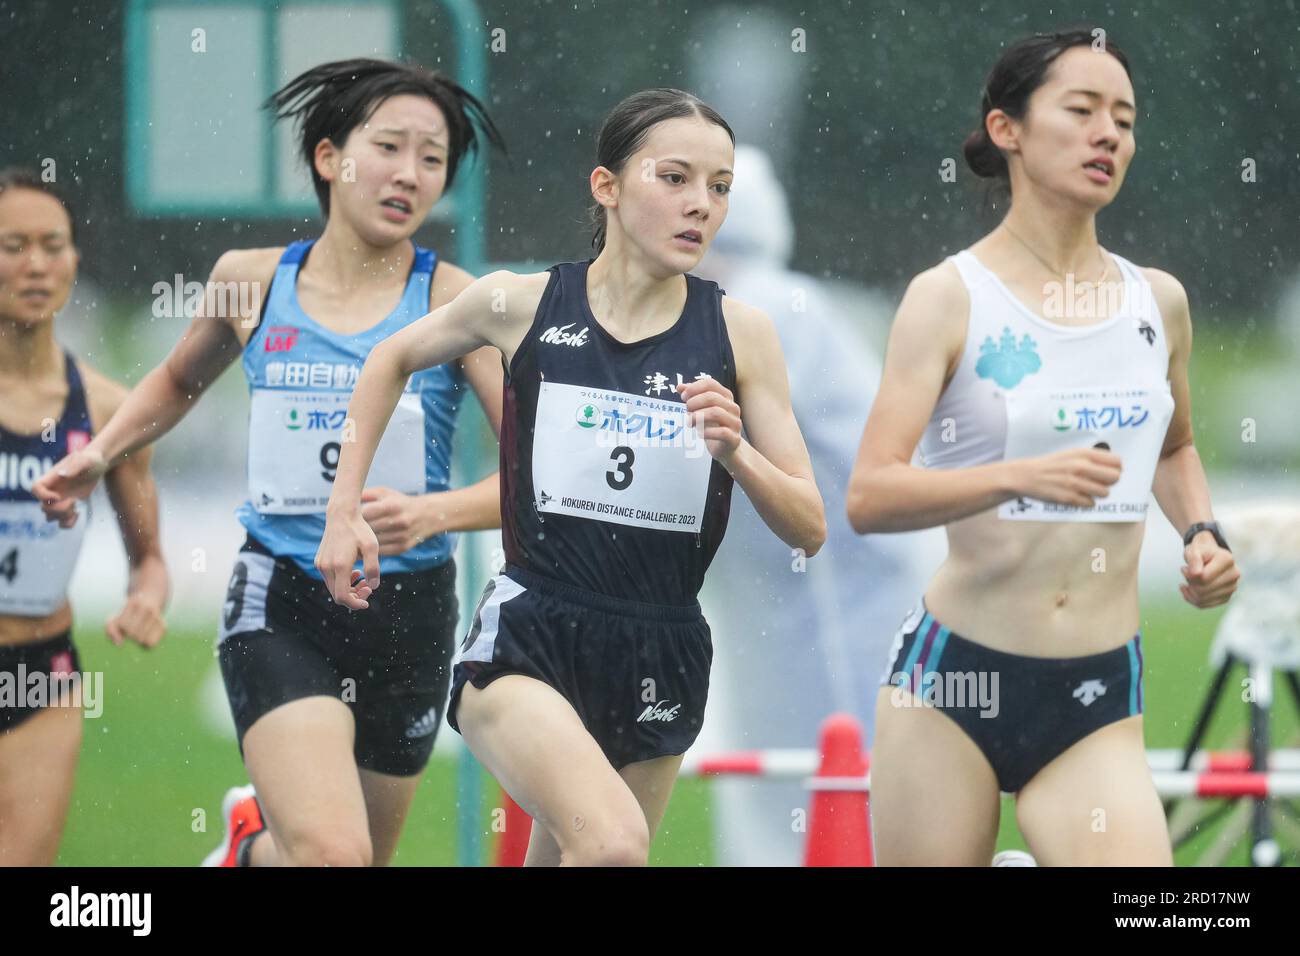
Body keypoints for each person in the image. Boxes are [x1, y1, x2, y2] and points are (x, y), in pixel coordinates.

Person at [316, 88, 827, 866]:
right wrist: (342, 509)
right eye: (676, 178)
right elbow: (389, 359)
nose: (702, 206)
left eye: (719, 188)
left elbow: (809, 525)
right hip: (532, 635)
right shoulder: (518, 304)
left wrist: (737, 454)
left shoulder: (742, 334)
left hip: (663, 645)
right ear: (608, 187)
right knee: (615, 846)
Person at [33, 59, 506, 867]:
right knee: (333, 853)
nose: (410, 174)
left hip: (410, 614)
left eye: (432, 160)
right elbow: (179, 380)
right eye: (388, 147)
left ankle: (249, 851)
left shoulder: (458, 302)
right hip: (281, 599)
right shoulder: (246, 282)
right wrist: (101, 453)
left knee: (349, 860)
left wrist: (435, 512)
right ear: (329, 158)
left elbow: (534, 473)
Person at [847, 29, 1240, 866]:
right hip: (950, 685)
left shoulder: (1157, 301)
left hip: (1096, 692)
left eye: (1126, 120)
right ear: (1008, 130)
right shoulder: (948, 297)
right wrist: (1019, 476)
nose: (1110, 135)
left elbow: (1174, 448)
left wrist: (1204, 534)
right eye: (1083, 110)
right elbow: (871, 495)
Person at [693, 145, 941, 866]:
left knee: (836, 773)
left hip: (845, 596)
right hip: (775, 595)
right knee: (785, 777)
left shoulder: (770, 305)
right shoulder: (747, 301)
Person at [0, 168, 169, 865]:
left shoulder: (108, 410)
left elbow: (150, 556)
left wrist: (146, 600)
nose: (35, 264)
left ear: (75, 259)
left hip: (42, 670)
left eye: (53, 244)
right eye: (13, 245)